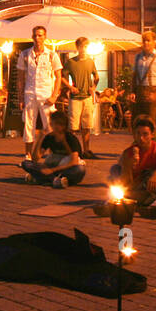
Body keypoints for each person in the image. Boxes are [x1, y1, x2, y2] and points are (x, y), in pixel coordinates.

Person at [105, 116, 156, 219]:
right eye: (138, 134)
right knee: (118, 184)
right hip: (138, 187)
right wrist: (128, 166)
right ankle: (115, 205)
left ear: (152, 134)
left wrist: (155, 174)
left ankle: (154, 208)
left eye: (145, 134)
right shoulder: (128, 153)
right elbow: (126, 182)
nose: (141, 138)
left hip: (154, 186)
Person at [18, 26, 65, 162]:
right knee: (28, 124)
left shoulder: (52, 55)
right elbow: (20, 78)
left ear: (45, 37)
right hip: (30, 92)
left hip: (46, 94)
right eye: (35, 35)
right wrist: (21, 97)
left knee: (50, 125)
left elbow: (58, 76)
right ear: (32, 37)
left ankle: (52, 153)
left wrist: (54, 95)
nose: (38, 38)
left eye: (40, 35)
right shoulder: (25, 54)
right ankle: (28, 154)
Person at [20, 109, 86, 189]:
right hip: (53, 165)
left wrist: (52, 170)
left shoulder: (70, 138)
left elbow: (74, 161)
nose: (57, 127)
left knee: (80, 170)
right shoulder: (49, 137)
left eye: (60, 124)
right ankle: (55, 180)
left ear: (64, 126)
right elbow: (35, 158)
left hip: (66, 167)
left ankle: (43, 178)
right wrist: (40, 139)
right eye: (54, 124)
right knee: (26, 164)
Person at [64, 36, 100, 158]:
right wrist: (70, 87)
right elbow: (62, 77)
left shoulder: (90, 62)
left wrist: (93, 87)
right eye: (81, 47)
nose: (83, 49)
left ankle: (86, 150)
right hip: (75, 98)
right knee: (73, 127)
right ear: (77, 48)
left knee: (87, 126)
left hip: (87, 97)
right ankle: (72, 151)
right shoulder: (71, 62)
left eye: (85, 47)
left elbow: (96, 77)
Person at [132, 29, 156, 133]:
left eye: (148, 40)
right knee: (139, 121)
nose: (146, 43)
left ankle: (154, 145)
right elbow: (134, 75)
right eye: (144, 40)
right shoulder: (137, 57)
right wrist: (132, 92)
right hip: (140, 91)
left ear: (154, 42)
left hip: (153, 90)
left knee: (152, 122)